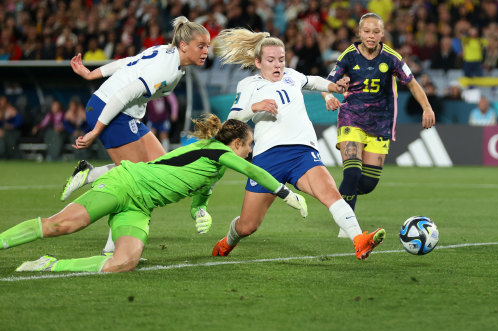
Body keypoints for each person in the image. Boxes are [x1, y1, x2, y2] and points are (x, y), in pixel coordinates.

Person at [1, 115, 307, 273]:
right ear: (237, 142)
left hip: (140, 207)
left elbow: (201, 194)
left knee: (123, 263)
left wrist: (200, 211)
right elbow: (254, 172)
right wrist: (284, 192)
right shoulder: (215, 150)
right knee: (62, 225)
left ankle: (50, 265)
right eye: (249, 144)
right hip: (125, 183)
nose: (251, 151)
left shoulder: (216, 164)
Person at [211, 28, 386, 260]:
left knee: (331, 194)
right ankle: (228, 241)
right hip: (267, 160)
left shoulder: (292, 75)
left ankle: (359, 240)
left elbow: (312, 81)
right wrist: (256, 107)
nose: (277, 65)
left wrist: (334, 87)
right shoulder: (249, 85)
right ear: (257, 62)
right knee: (248, 226)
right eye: (271, 60)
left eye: (281, 59)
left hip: (303, 152)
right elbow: (232, 118)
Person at [59, 16, 210, 253]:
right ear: (184, 45)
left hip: (124, 114)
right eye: (201, 46)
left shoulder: (167, 53)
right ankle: (113, 247)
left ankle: (91, 173)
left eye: (208, 46)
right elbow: (122, 96)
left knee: (162, 167)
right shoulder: (166, 70)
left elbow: (128, 61)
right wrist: (95, 131)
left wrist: (92, 74)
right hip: (110, 110)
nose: (206, 51)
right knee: (138, 183)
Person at [322, 13, 435, 236]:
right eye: (366, 31)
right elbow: (327, 83)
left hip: (380, 123)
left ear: (382, 34)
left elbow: (412, 84)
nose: (371, 36)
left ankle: (336, 196)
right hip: (351, 118)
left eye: (375, 32)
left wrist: (427, 107)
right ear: (359, 32)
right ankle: (347, 227)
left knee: (367, 184)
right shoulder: (348, 56)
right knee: (352, 173)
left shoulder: (392, 58)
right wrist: (329, 97)